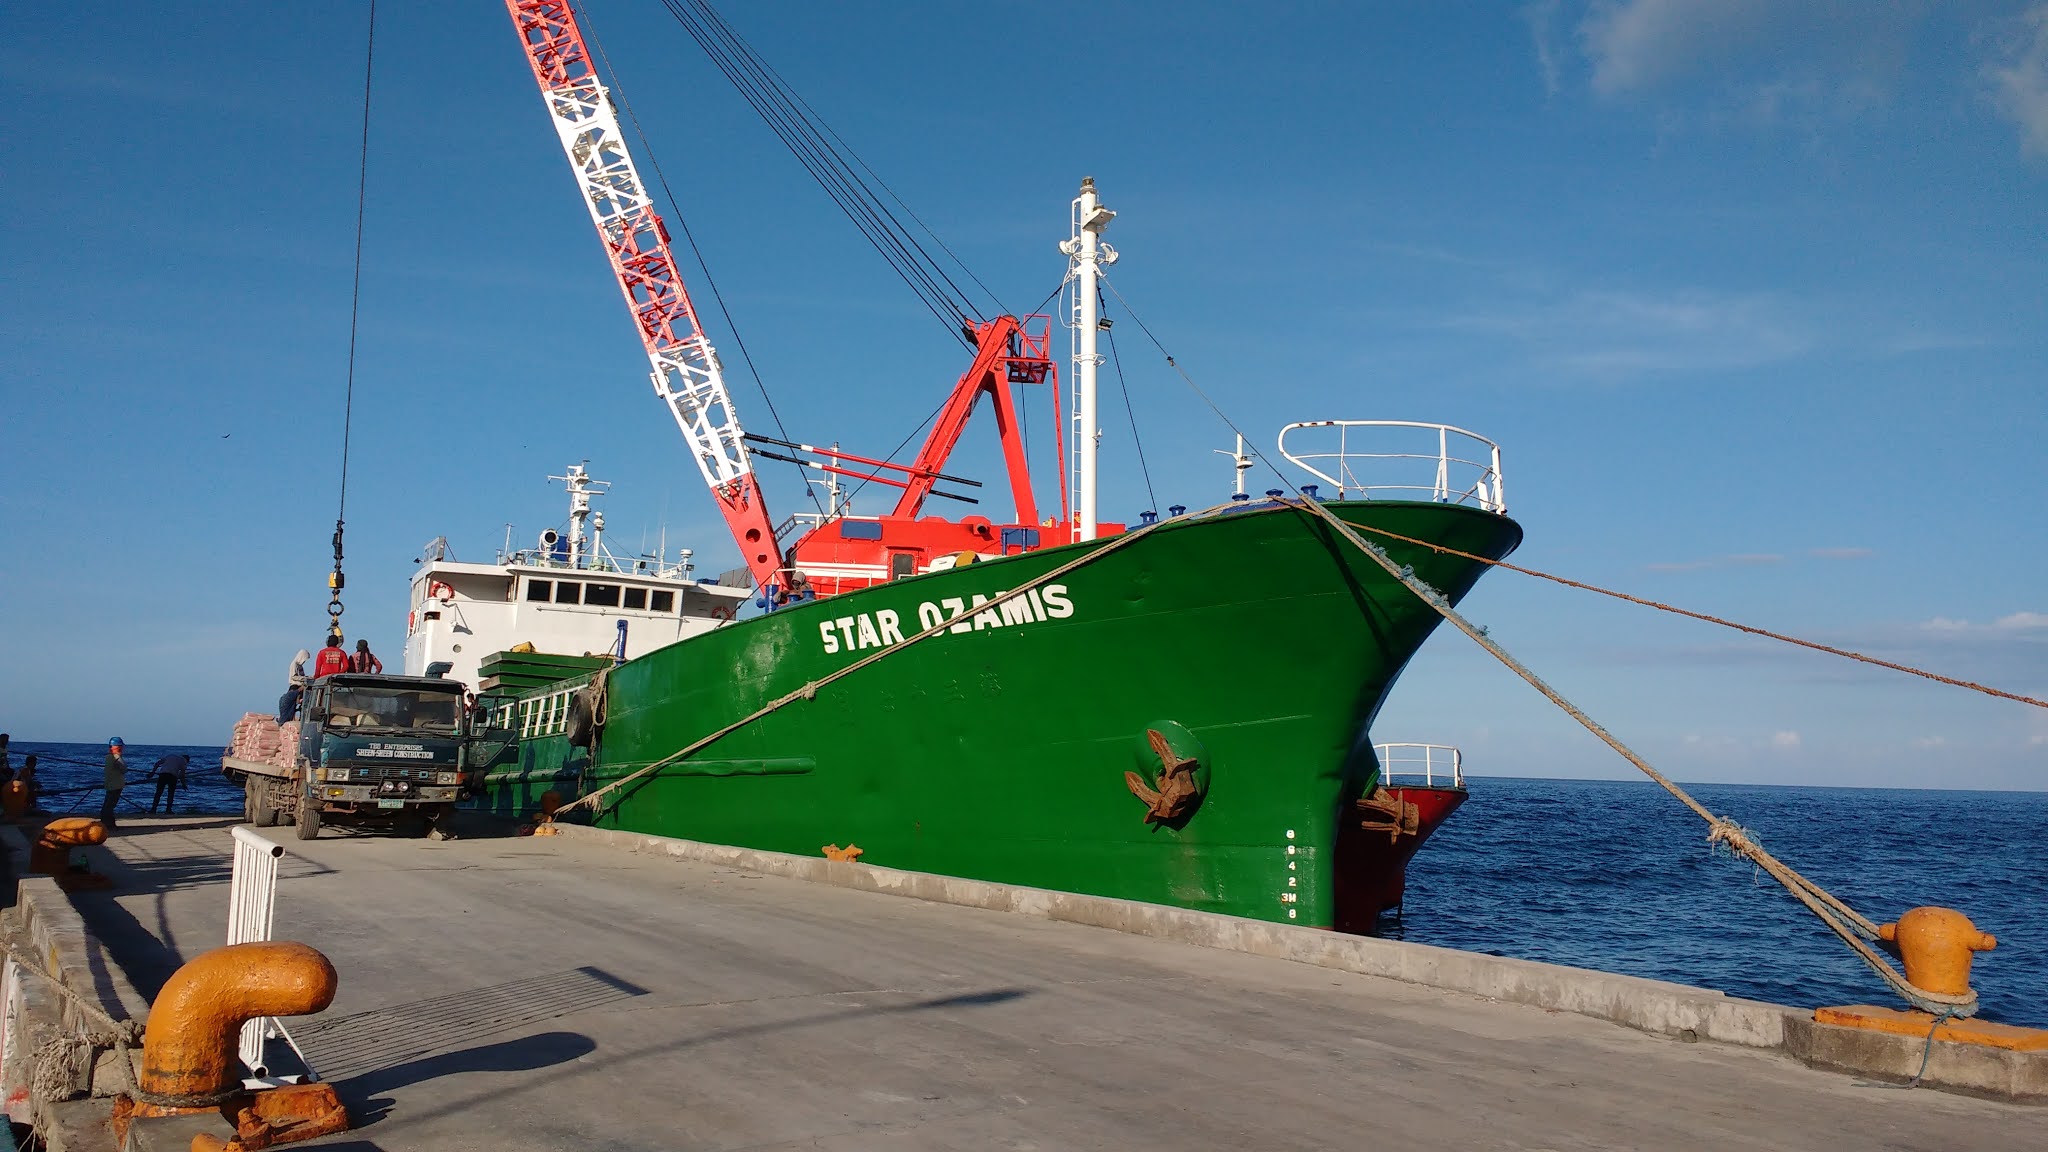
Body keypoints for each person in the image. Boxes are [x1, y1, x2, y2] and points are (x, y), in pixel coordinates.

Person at [101, 738, 128, 830]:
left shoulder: (108, 757)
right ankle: (109, 824)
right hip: (116, 785)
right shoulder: (116, 757)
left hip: (110, 784)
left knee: (107, 805)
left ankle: (107, 823)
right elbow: (124, 768)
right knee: (110, 806)